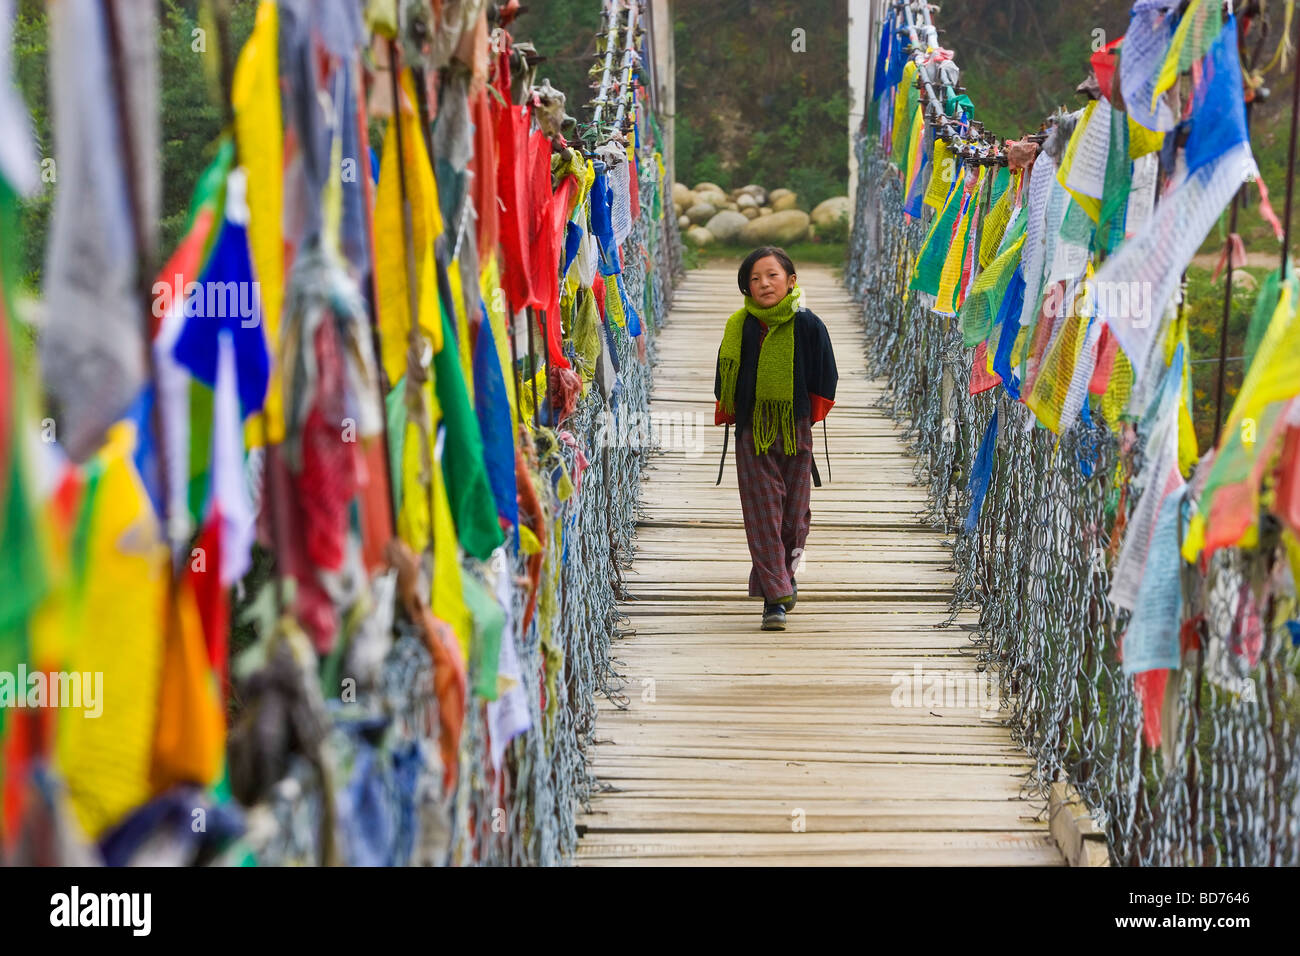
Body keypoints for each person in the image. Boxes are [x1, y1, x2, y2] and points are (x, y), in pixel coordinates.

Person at [714, 246, 838, 631]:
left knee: (794, 513)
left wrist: (804, 417)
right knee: (763, 509)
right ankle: (775, 598)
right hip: (753, 429)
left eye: (772, 275)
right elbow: (724, 378)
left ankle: (782, 576)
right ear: (746, 288)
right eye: (755, 278)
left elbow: (825, 377)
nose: (764, 283)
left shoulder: (808, 325)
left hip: (795, 426)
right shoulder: (740, 327)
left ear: (791, 281)